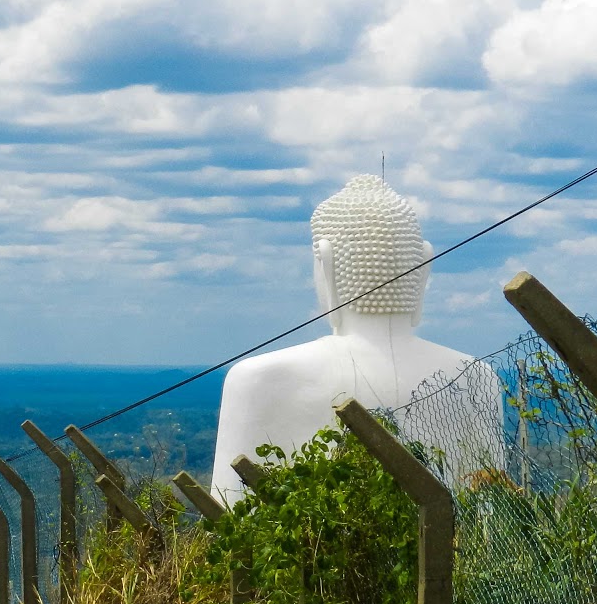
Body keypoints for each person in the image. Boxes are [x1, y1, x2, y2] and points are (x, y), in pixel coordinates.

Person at [211, 174, 504, 503]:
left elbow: (228, 516)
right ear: (423, 266)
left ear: (325, 263)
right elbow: (492, 517)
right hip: (453, 552)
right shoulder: (478, 376)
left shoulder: (257, 378)